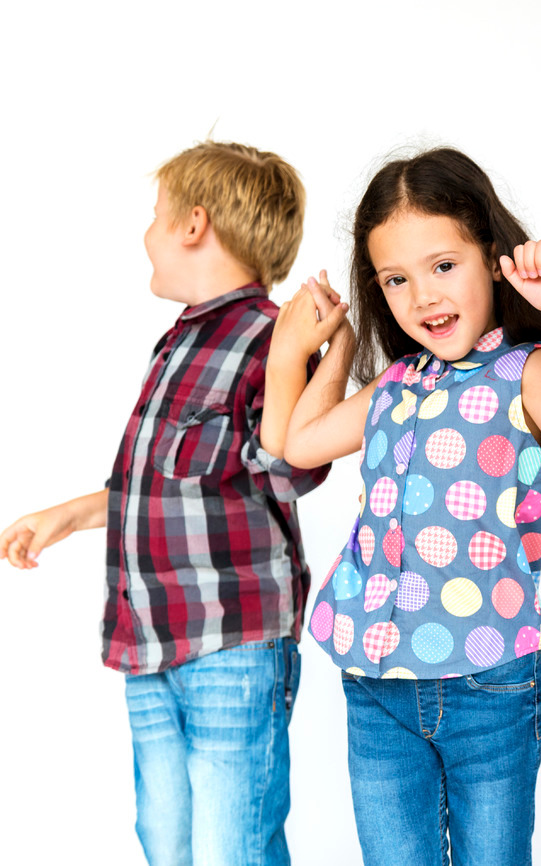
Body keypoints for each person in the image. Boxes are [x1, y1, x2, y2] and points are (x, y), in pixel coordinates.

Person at [264, 146, 541, 865]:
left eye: (443, 266)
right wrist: (320, 346)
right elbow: (295, 442)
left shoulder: (528, 369)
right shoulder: (397, 381)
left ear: (492, 257)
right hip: (376, 682)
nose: (423, 295)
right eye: (397, 279)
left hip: (487, 684)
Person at [0, 140, 324, 865]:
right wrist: (71, 515)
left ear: (193, 225)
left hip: (232, 647)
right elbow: (165, 485)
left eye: (156, 215)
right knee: (165, 841)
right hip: (148, 640)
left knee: (230, 848)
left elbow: (294, 465)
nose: (147, 232)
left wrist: (293, 358)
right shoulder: (175, 346)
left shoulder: (272, 339)